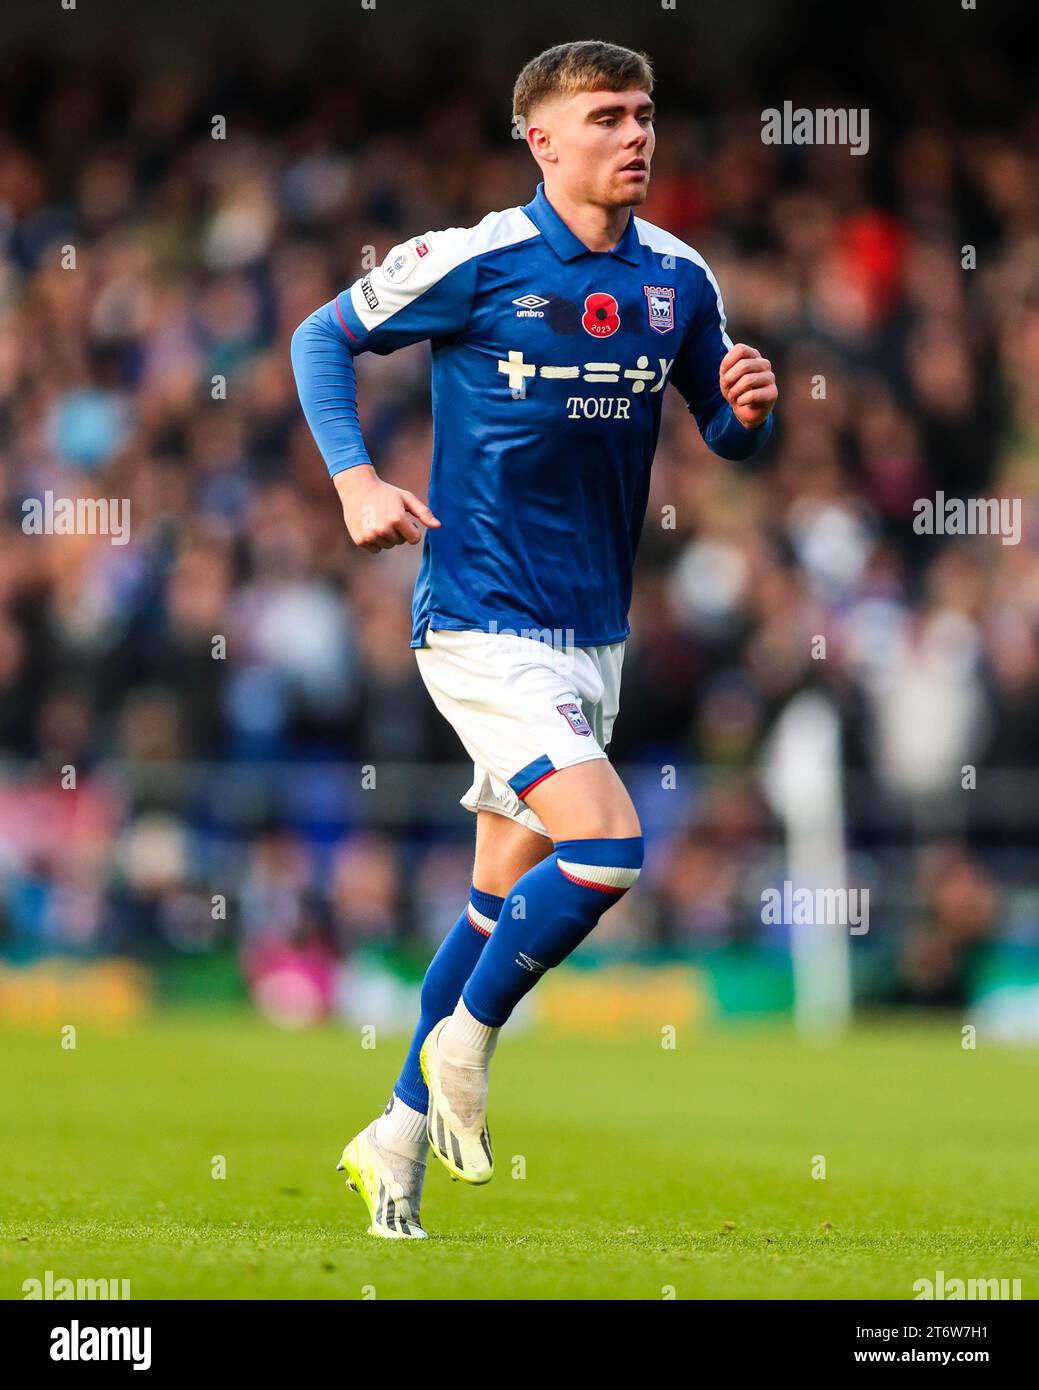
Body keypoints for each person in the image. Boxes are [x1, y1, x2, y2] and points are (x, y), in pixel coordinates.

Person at [291, 39, 777, 1239]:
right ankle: (465, 1044)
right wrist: (356, 481)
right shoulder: (478, 259)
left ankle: (392, 1136)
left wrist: (745, 413)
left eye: (645, 113)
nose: (636, 135)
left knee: (491, 898)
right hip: (480, 619)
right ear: (541, 140)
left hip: (592, 634)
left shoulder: (679, 275)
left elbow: (718, 429)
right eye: (607, 116)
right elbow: (319, 337)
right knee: (607, 848)